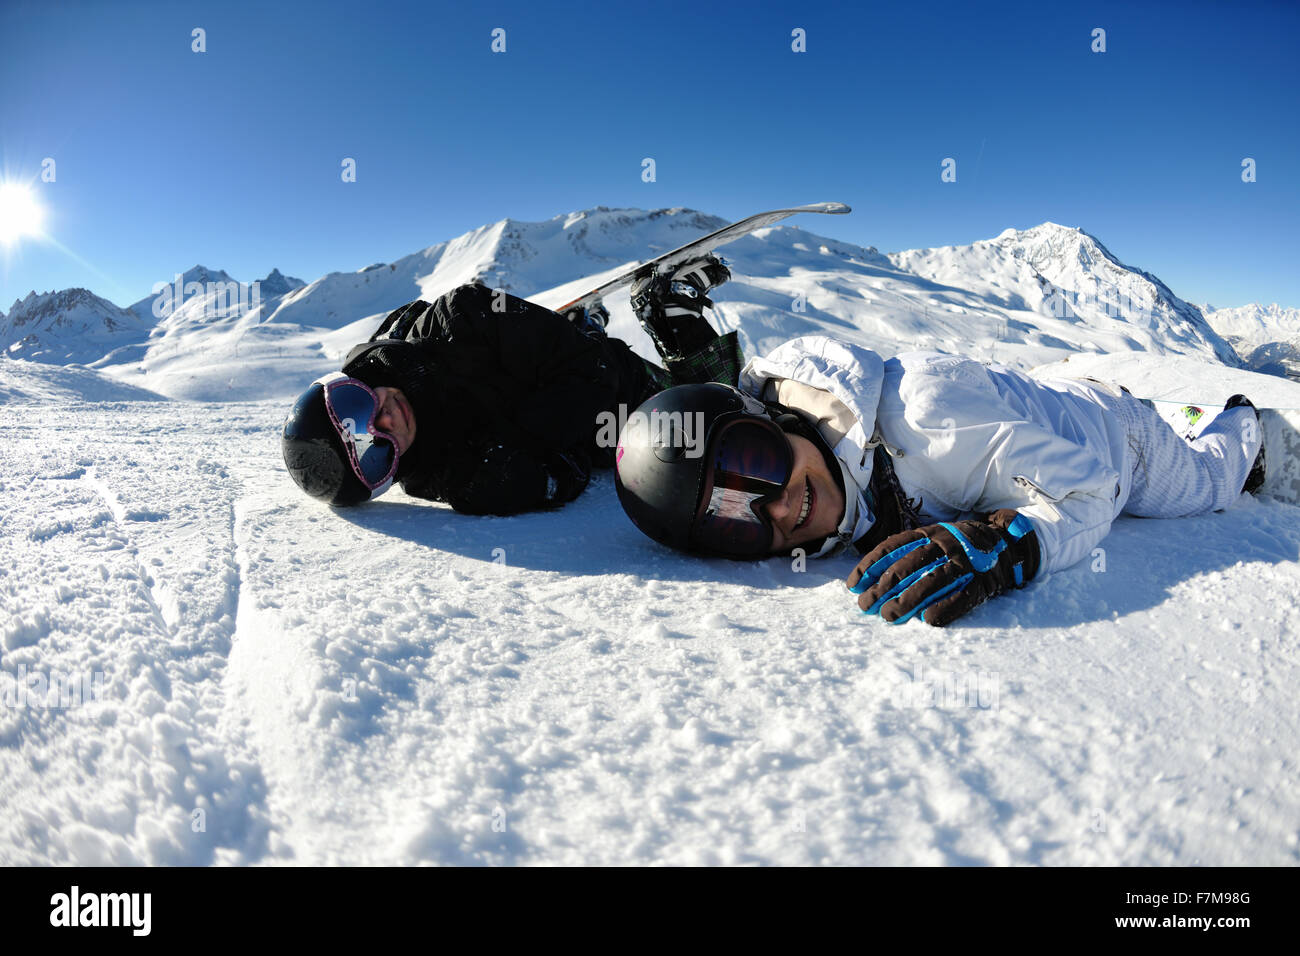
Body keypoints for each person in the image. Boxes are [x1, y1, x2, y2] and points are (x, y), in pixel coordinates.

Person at [614, 336, 1267, 627]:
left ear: (772, 418)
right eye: (733, 516)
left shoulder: (927, 420)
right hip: (1036, 414)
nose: (780, 507)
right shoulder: (828, 480)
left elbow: (1095, 491)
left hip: (1111, 440)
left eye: (754, 466)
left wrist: (1012, 544)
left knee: (1210, 486)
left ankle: (1240, 422)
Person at [280, 257, 739, 514]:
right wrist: (523, 473)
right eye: (373, 453)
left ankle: (666, 305)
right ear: (387, 477)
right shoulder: (443, 476)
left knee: (726, 410)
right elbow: (563, 477)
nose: (383, 423)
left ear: (351, 382)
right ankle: (581, 324)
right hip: (586, 422)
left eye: (357, 407)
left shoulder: (462, 318)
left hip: (615, 389)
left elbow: (591, 374)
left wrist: (524, 439)